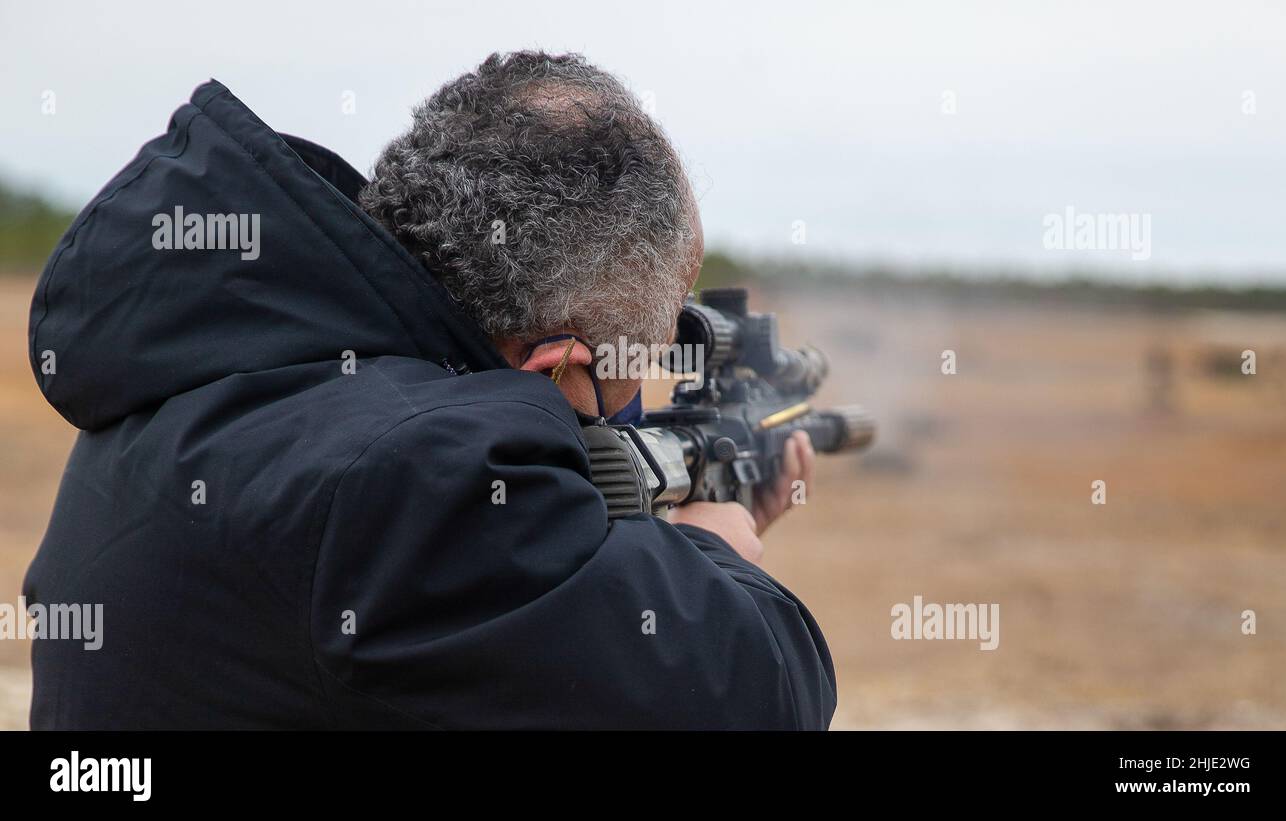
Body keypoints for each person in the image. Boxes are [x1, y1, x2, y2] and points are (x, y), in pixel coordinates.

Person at [25, 51, 835, 729]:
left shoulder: (198, 390)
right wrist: (717, 552)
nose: (640, 394)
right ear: (553, 364)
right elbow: (752, 695)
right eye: (640, 359)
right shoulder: (423, 479)